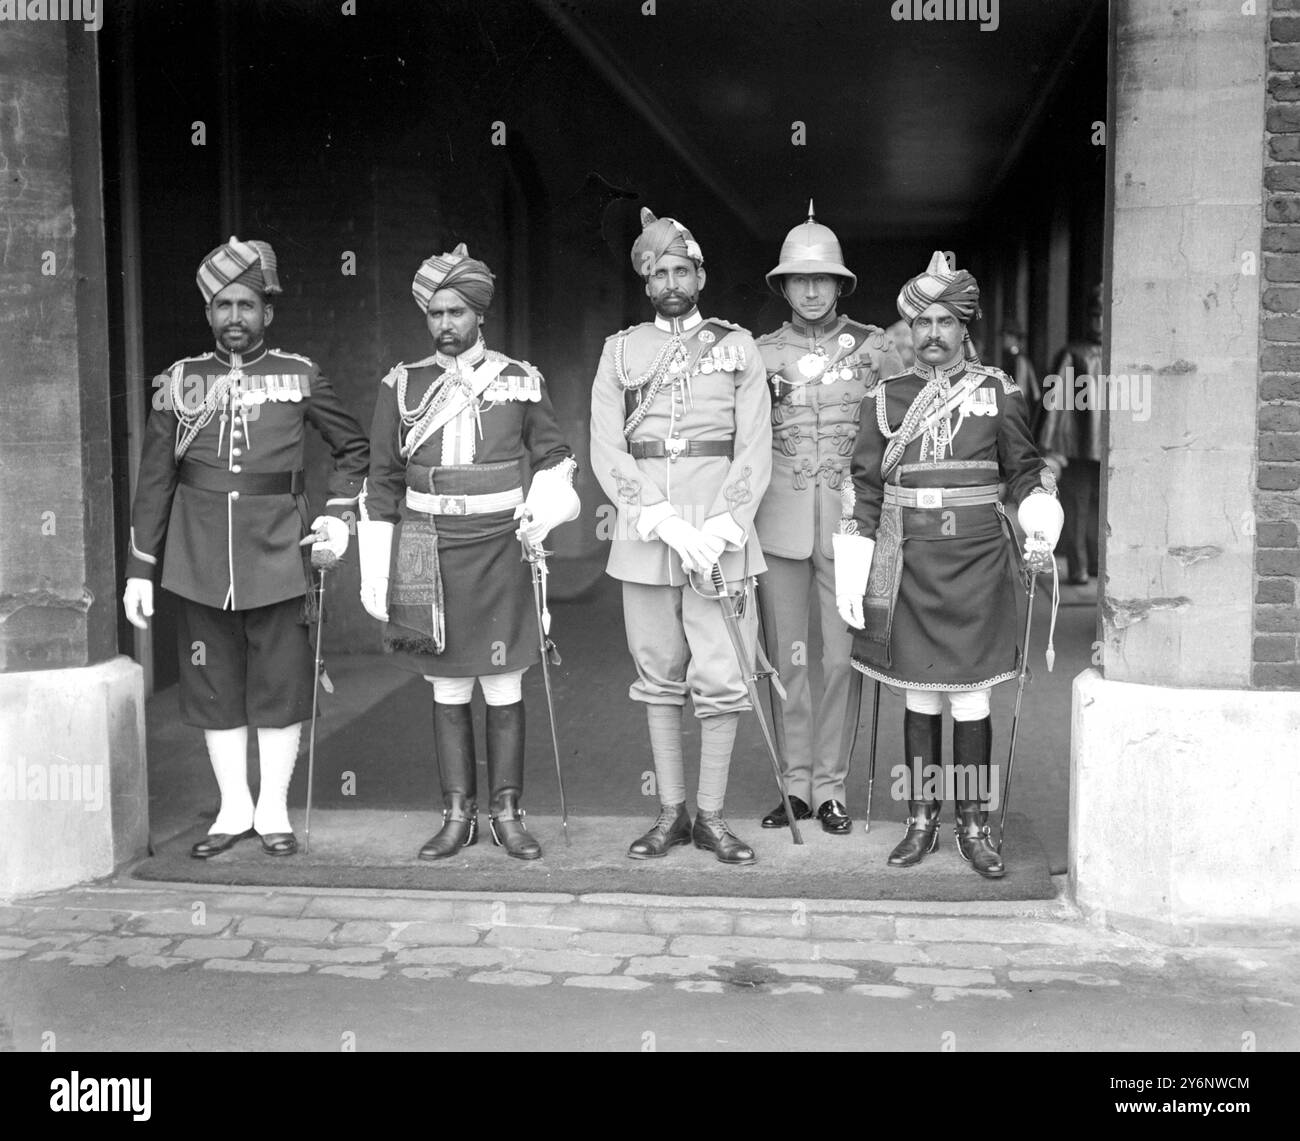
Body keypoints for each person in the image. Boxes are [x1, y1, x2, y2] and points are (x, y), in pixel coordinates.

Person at [123, 237, 369, 858]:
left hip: (281, 554)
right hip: (198, 558)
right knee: (213, 684)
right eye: (224, 305)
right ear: (208, 313)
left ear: (268, 312)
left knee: (281, 684)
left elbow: (354, 450)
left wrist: (337, 517)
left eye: (248, 305)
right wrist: (140, 569)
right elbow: (156, 479)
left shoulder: (302, 374)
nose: (236, 317)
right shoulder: (180, 383)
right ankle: (233, 809)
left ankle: (273, 808)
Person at [834, 251, 1062, 879]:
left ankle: (973, 821)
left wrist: (1039, 512)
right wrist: (855, 566)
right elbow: (865, 490)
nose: (932, 334)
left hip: (980, 561)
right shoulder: (884, 399)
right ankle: (919, 817)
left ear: (966, 327)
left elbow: (1022, 471)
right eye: (921, 322)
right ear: (909, 329)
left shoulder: (998, 393)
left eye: (945, 322)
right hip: (909, 562)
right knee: (920, 698)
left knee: (971, 702)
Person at [358, 244, 578, 862]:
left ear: (479, 313)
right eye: (435, 313)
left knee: (504, 682)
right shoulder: (402, 384)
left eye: (456, 311)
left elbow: (557, 456)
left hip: (499, 546)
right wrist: (376, 566)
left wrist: (545, 506)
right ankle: (457, 814)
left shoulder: (519, 380)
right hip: (425, 546)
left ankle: (508, 812)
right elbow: (381, 482)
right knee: (447, 686)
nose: (444, 324)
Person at [590, 208, 772, 865]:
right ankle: (669, 813)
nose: (671, 280)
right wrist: (661, 518)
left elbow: (755, 447)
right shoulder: (619, 350)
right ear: (646, 282)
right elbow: (608, 450)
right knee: (659, 674)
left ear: (700, 275)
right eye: (658, 271)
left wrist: (723, 525)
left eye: (681, 269)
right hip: (646, 538)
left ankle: (713, 817)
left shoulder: (738, 345)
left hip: (723, 536)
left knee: (723, 675)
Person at [753, 203, 902, 834]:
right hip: (779, 523)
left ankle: (833, 787)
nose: (811, 291)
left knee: (842, 660)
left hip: (850, 528)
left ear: (841, 285)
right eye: (798, 279)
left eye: (823, 279)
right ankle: (794, 785)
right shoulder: (756, 354)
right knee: (787, 658)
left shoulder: (876, 348)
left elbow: (908, 425)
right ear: (783, 286)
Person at [1037, 284, 1103, 584]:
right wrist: (1049, 446)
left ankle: (1084, 568)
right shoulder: (1078, 353)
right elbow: (1055, 399)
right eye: (1095, 316)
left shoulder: (1074, 353)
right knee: (1083, 509)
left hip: (1081, 448)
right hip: (1085, 449)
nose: (1099, 323)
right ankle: (1085, 567)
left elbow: (1052, 401)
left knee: (1083, 509)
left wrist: (1047, 442)